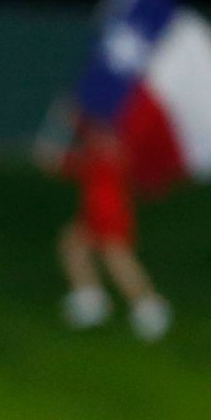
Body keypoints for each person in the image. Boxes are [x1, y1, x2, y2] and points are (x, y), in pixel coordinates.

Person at [50, 117, 168, 340]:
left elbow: (77, 163)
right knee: (73, 245)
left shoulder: (115, 150)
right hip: (95, 210)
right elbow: (71, 164)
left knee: (117, 259)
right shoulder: (99, 148)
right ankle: (89, 299)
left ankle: (149, 308)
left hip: (109, 211)